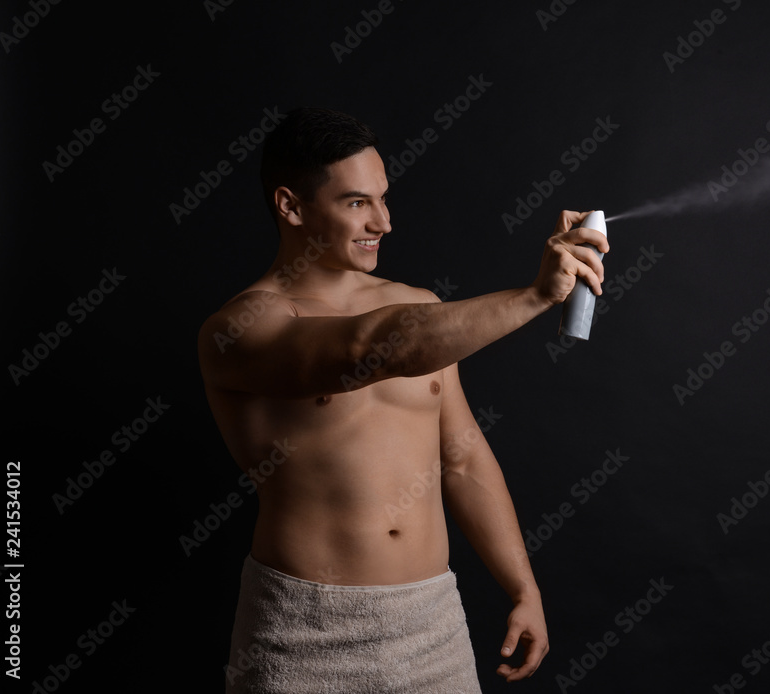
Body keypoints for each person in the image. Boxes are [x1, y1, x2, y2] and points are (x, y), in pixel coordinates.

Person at [197, 107, 608, 693]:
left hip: (431, 621)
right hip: (304, 630)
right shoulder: (239, 329)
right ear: (290, 206)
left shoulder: (420, 304)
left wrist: (524, 588)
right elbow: (370, 348)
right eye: (357, 203)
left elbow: (462, 457)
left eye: (383, 199)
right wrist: (535, 296)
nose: (384, 223)